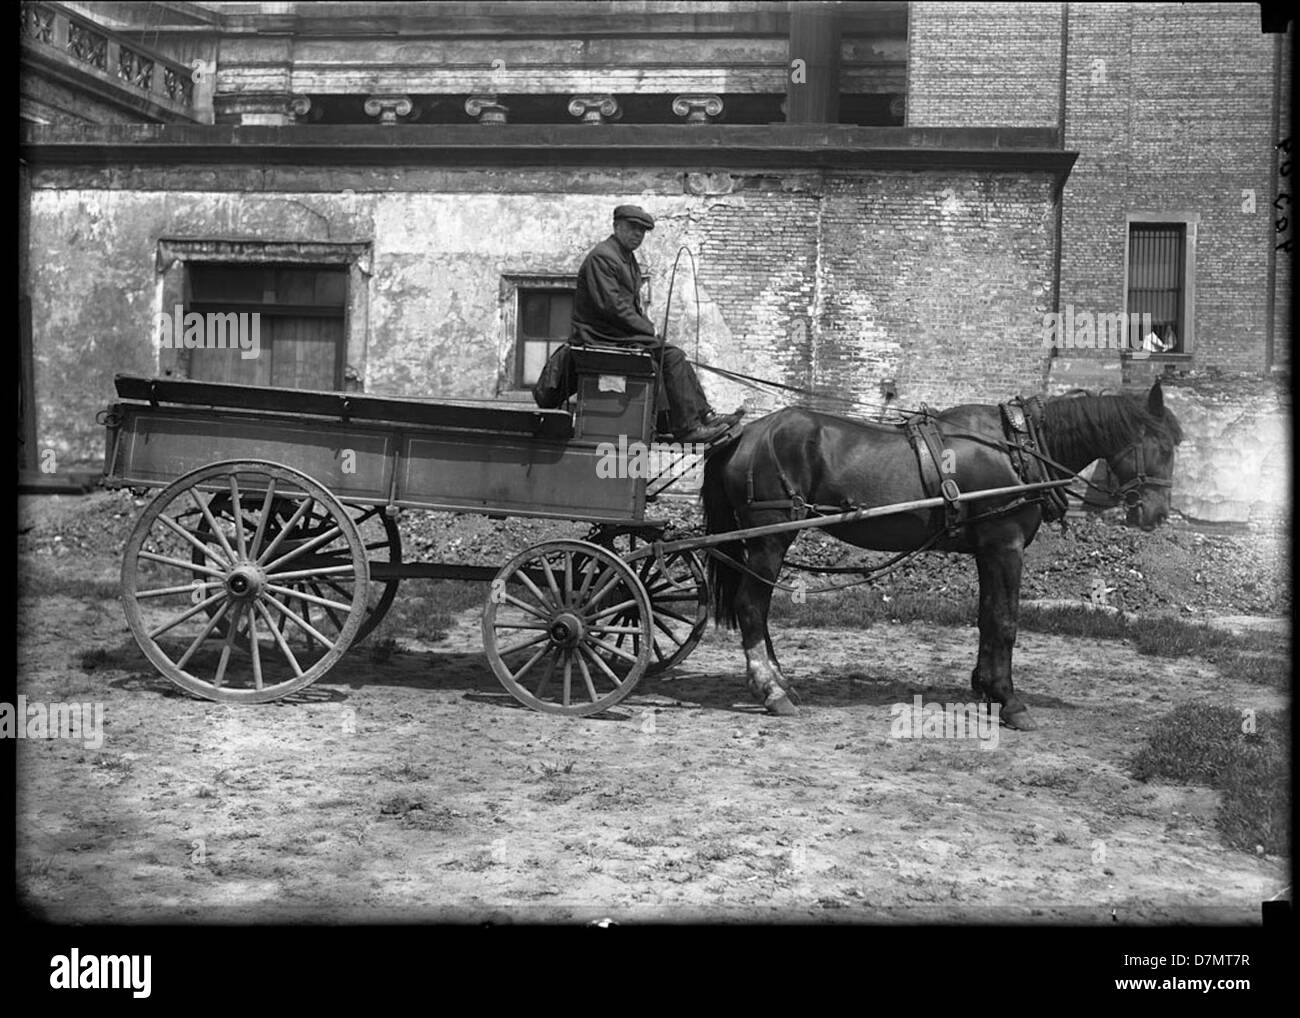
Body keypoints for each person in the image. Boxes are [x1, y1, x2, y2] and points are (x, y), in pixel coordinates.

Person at [570, 204, 742, 443]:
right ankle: (688, 427)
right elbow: (612, 306)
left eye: (642, 231)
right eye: (632, 228)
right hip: (598, 335)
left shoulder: (626, 259)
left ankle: (705, 415)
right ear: (616, 226)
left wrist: (648, 328)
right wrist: (648, 329)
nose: (637, 235)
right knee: (671, 356)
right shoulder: (603, 257)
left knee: (673, 355)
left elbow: (630, 306)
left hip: (614, 332)